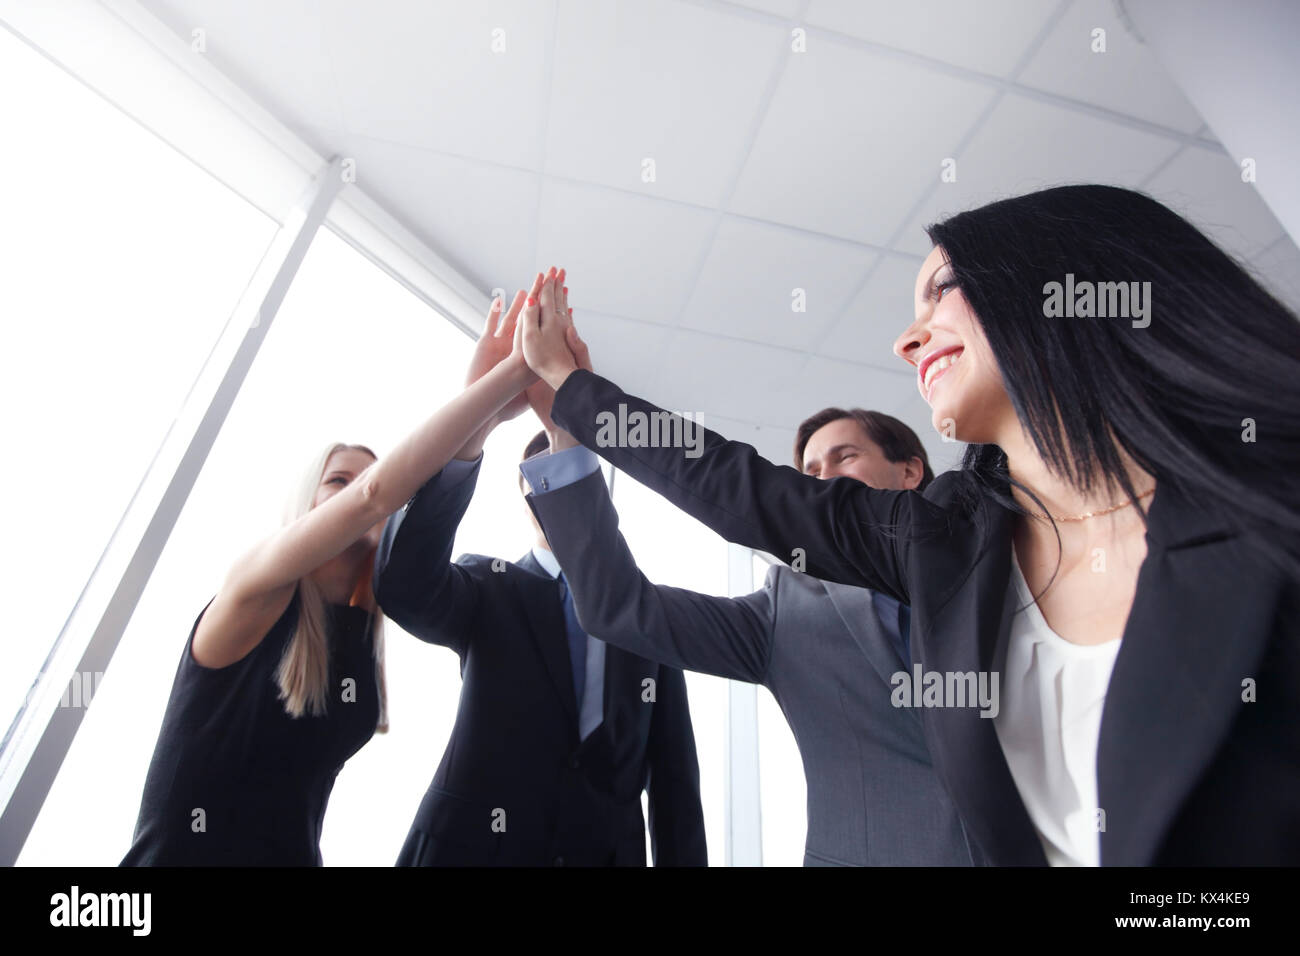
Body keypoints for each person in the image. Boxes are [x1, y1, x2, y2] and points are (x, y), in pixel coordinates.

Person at [519, 186, 1300, 866]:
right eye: (809, 471)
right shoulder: (943, 543)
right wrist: (573, 398)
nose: (906, 337)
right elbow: (735, 494)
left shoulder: (1264, 504)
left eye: (943, 289)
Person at [123, 280, 544, 865]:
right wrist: (506, 379)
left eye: (359, 482)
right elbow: (378, 494)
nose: (356, 491)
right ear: (310, 502)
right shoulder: (256, 586)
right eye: (336, 482)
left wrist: (487, 416)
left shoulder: (357, 628)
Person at [523, 371, 987, 865]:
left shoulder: (991, 557)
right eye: (809, 472)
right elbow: (619, 608)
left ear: (910, 471)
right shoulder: (786, 609)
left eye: (845, 456)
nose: (823, 478)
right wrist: (567, 442)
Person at [372, 267, 707, 867]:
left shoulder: (652, 621)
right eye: (538, 483)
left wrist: (566, 429)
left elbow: (677, 790)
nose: (549, 495)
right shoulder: (486, 588)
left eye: (565, 477)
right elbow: (404, 586)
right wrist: (471, 426)